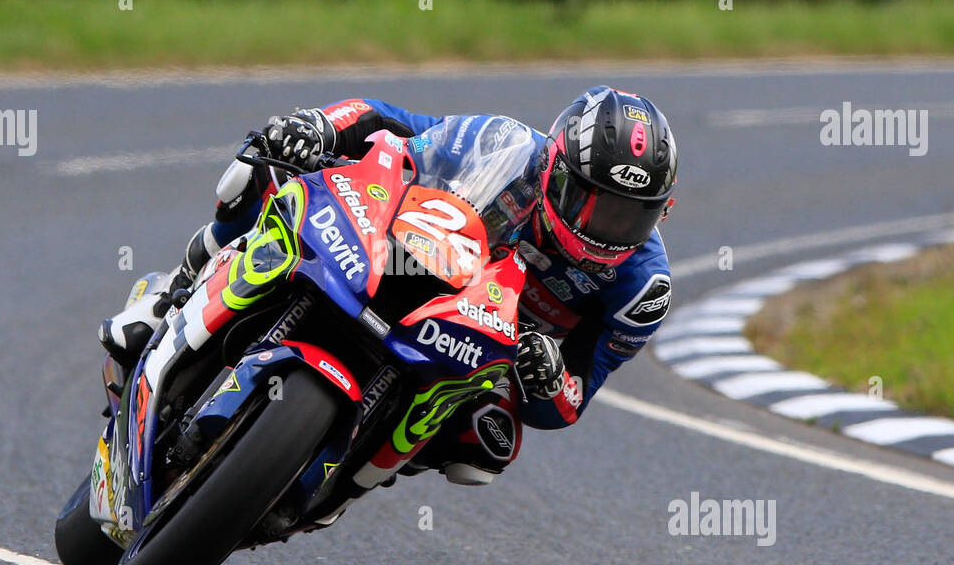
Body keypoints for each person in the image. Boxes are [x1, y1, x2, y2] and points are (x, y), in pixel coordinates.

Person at [100, 86, 677, 485]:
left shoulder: (642, 288)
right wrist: (318, 125)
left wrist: (549, 378)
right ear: (557, 167)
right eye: (597, 206)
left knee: (490, 444)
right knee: (257, 174)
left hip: (485, 352)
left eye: (629, 217)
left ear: (660, 215)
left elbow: (573, 399)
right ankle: (174, 292)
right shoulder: (507, 147)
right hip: (410, 263)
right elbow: (388, 122)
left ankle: (350, 470)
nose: (607, 231)